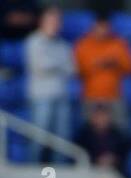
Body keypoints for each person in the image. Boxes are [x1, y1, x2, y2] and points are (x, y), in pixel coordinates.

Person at [23, 6, 74, 163]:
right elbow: (39, 67)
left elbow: (72, 69)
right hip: (41, 97)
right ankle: (32, 172)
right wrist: (58, 66)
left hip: (61, 95)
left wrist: (54, 66)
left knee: (62, 139)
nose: (55, 23)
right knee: (39, 137)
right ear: (42, 21)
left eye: (58, 20)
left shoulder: (63, 45)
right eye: (52, 19)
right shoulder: (33, 41)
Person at [73, 13, 131, 130]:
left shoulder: (118, 44)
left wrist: (116, 63)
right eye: (100, 27)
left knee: (120, 130)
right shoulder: (83, 44)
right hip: (91, 97)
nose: (103, 31)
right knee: (89, 132)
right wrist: (96, 65)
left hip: (113, 96)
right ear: (94, 27)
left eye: (105, 27)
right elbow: (77, 70)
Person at [75, 100, 130, 175]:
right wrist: (96, 161)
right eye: (98, 116)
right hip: (90, 172)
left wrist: (113, 159)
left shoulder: (118, 135)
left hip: (114, 172)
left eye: (104, 115)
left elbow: (124, 153)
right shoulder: (83, 135)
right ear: (92, 117)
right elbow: (79, 155)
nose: (101, 119)